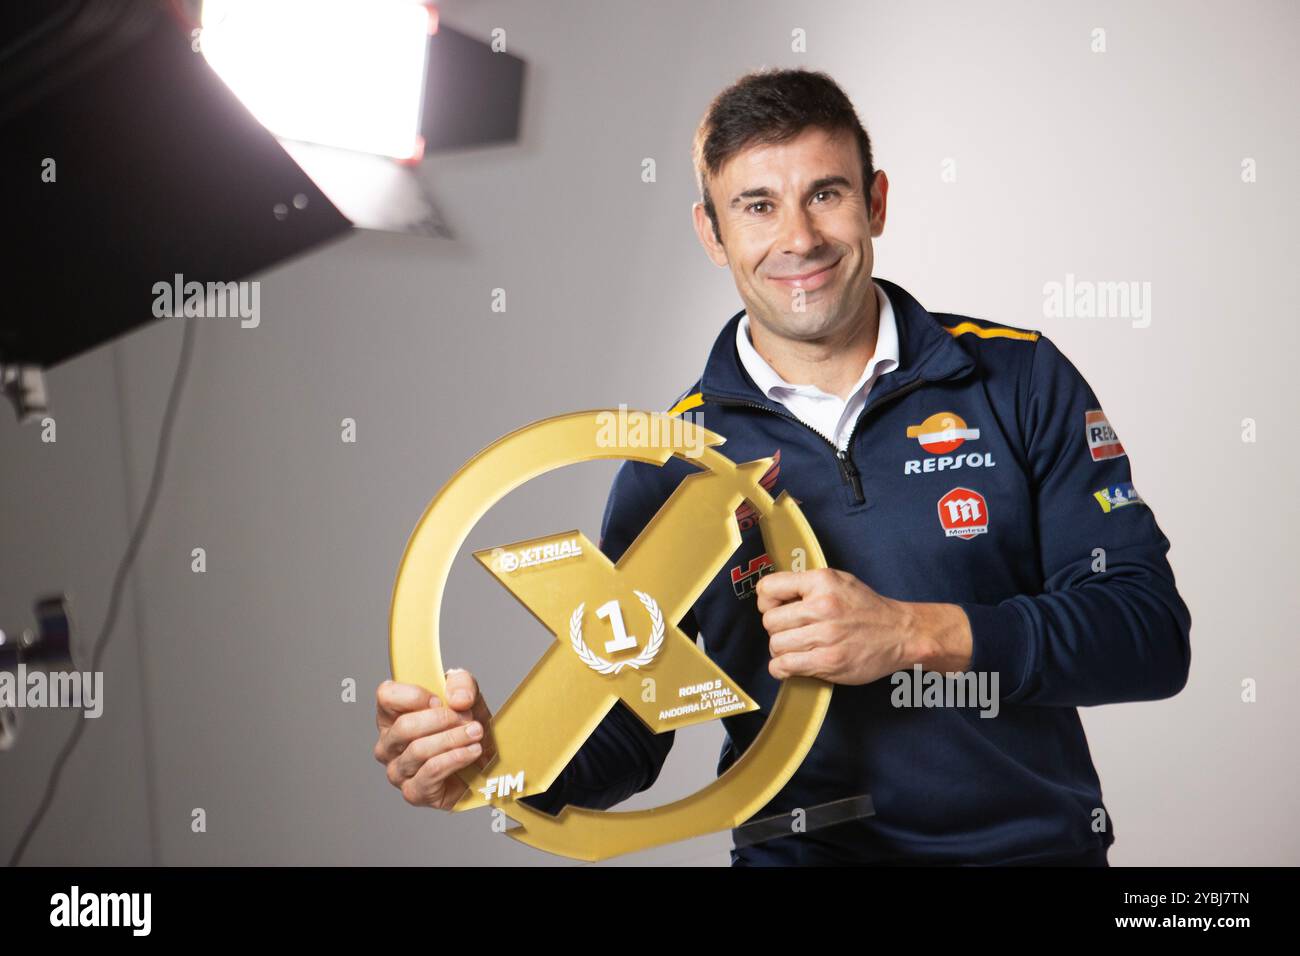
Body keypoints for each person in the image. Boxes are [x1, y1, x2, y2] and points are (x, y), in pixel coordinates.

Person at [374, 68, 1191, 865]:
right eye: (757, 206)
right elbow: (630, 720)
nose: (798, 238)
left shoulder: (1020, 377)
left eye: (825, 194)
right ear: (711, 232)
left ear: (875, 202)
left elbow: (1149, 635)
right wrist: (493, 765)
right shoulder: (671, 459)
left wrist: (913, 633)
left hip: (1030, 853)